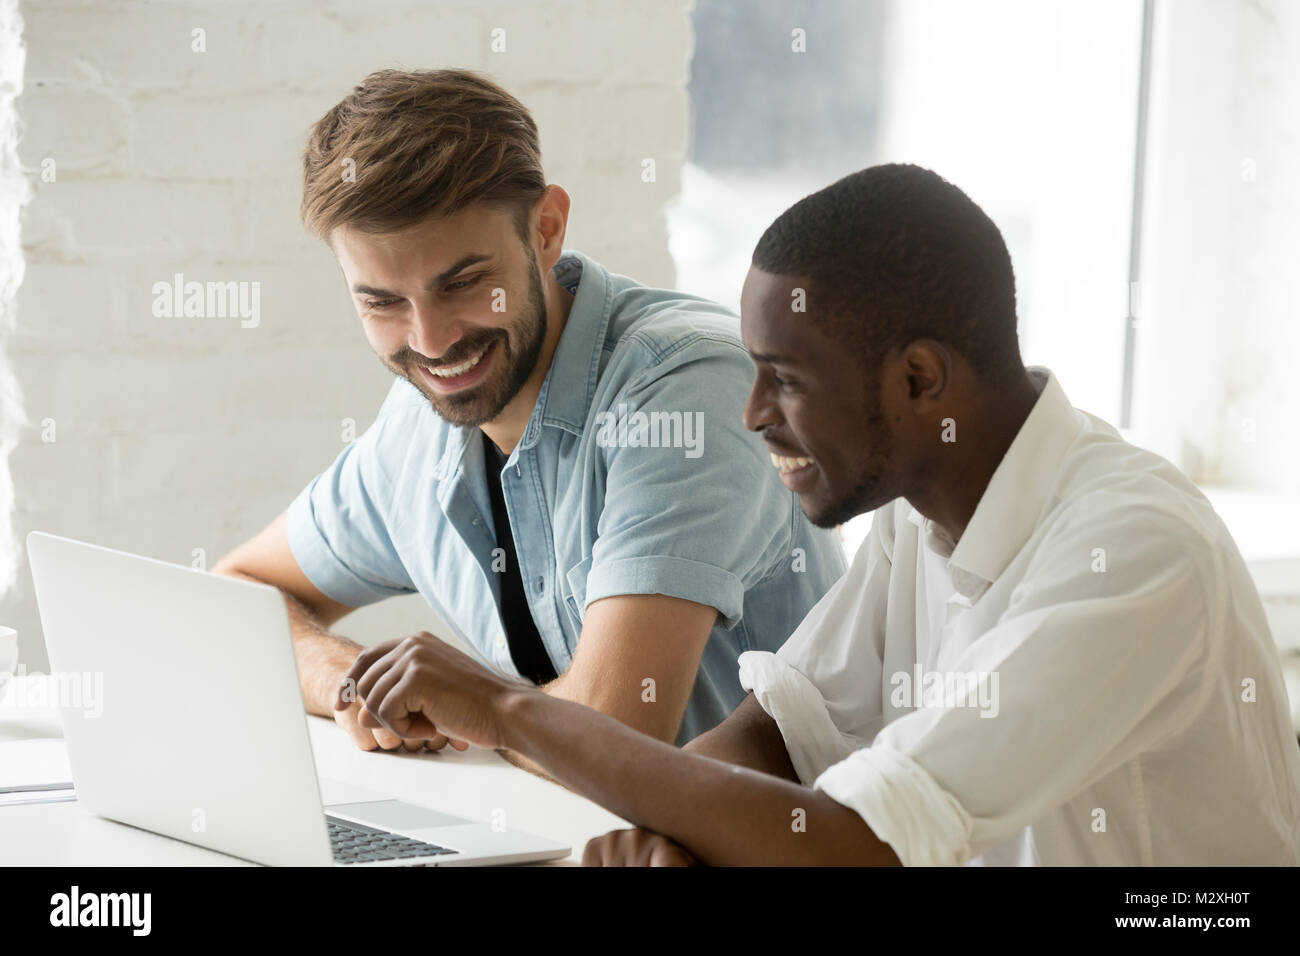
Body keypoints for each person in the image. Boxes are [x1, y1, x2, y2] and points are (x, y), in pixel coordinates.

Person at [338, 163, 1300, 865]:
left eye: (785, 380)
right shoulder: (919, 514)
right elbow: (778, 734)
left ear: (921, 380)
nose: (752, 414)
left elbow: (852, 845)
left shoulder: (1131, 547)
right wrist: (669, 837)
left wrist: (506, 711)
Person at [212, 69, 846, 770]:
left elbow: (619, 733)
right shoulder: (415, 430)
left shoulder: (687, 391)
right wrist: (354, 685)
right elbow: (238, 592)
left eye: (461, 284)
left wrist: (473, 704)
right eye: (382, 303)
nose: (430, 340)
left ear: (546, 229)